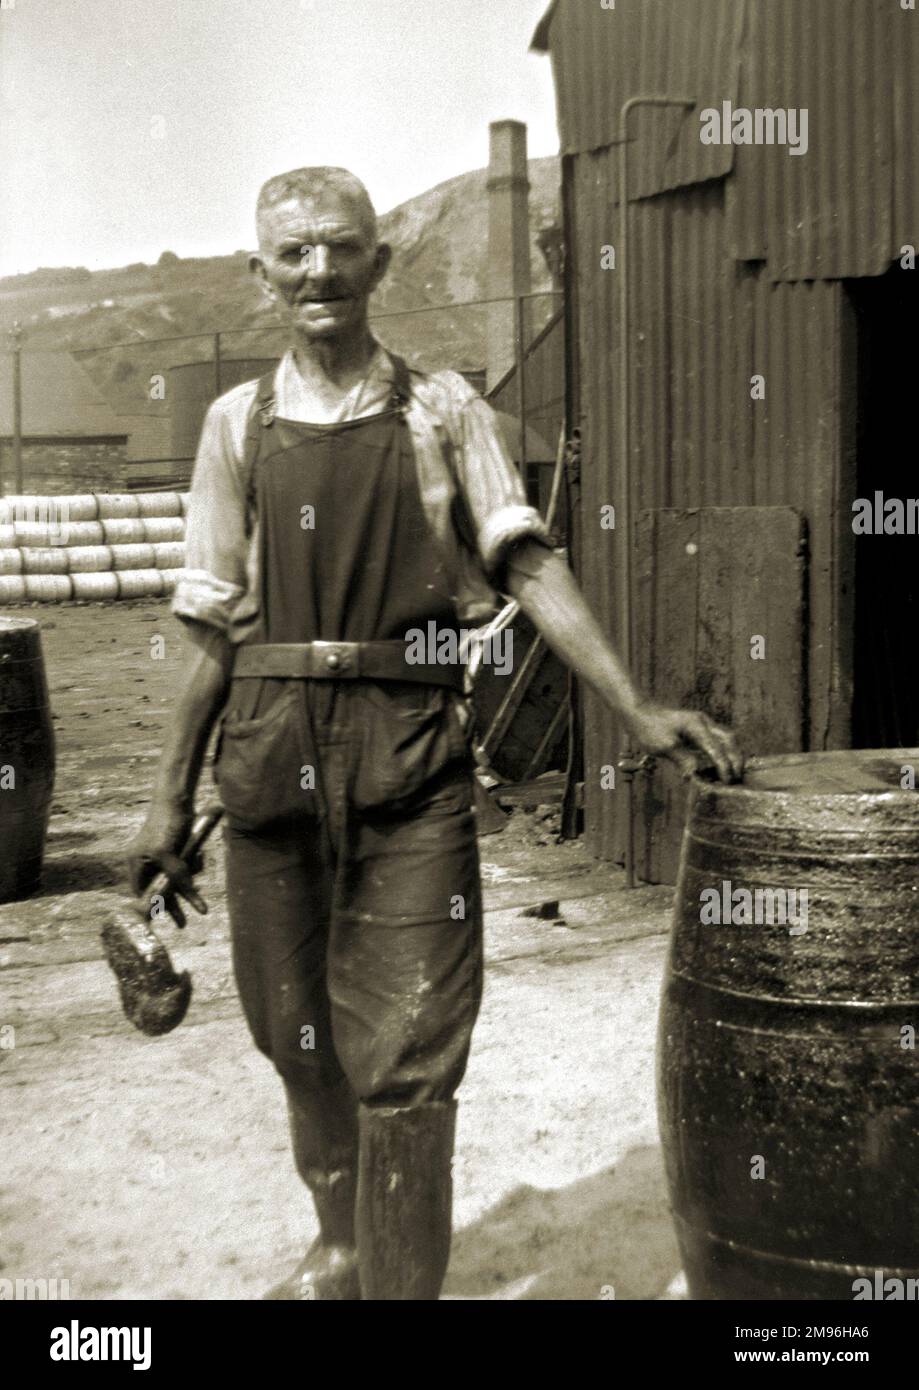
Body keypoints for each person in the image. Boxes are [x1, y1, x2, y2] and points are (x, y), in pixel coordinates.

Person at [126, 165, 743, 1302]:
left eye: (341, 247)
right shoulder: (232, 427)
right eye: (294, 251)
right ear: (263, 272)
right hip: (267, 763)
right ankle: (344, 1241)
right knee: (292, 1034)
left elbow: (527, 560)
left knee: (409, 1055)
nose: (320, 270)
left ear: (379, 262)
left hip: (408, 759)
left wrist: (638, 708)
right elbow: (209, 622)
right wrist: (168, 802)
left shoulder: (443, 409)